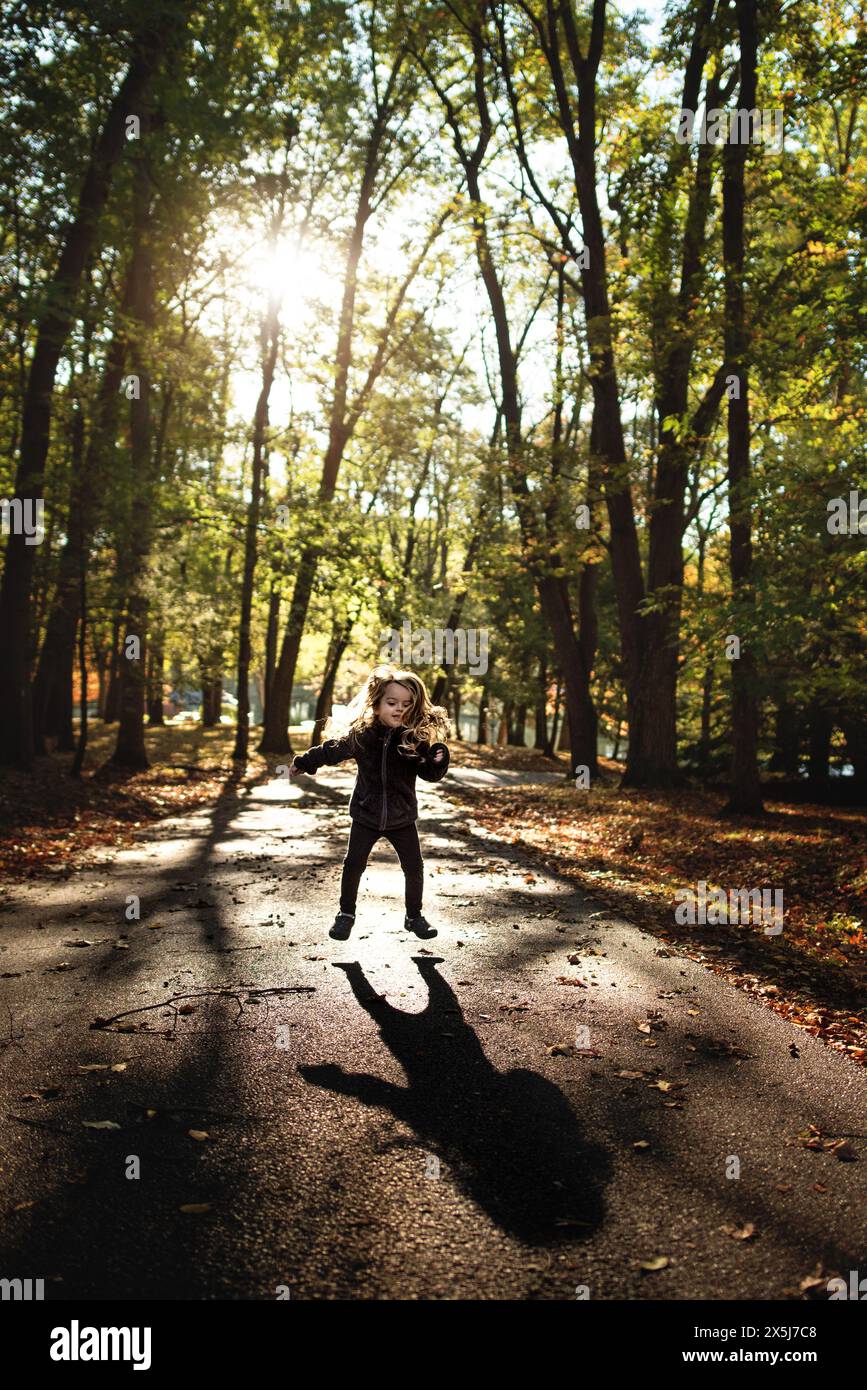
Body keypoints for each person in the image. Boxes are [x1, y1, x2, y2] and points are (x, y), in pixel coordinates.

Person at [287, 665, 450, 940]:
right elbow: (332, 750)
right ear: (376, 705)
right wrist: (305, 762)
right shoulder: (362, 736)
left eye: (407, 704)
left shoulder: (413, 740)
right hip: (366, 814)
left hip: (402, 818)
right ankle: (345, 915)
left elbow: (429, 774)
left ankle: (414, 917)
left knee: (414, 867)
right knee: (353, 864)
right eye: (392, 703)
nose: (399, 709)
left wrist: (438, 758)